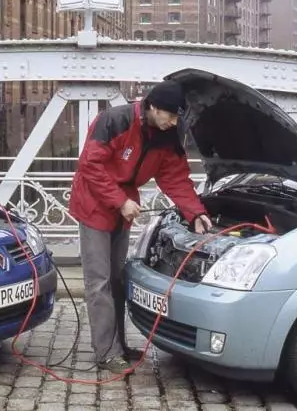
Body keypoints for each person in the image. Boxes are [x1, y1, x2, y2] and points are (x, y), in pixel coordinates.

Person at [68, 80, 213, 374]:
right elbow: (90, 166)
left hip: (122, 208)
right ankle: (106, 353)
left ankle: (118, 346)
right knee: (99, 282)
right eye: (169, 115)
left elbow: (175, 177)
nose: (173, 122)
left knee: (117, 279)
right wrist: (120, 200)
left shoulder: (167, 134)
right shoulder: (114, 120)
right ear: (153, 107)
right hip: (94, 203)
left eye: (176, 117)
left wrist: (195, 212)